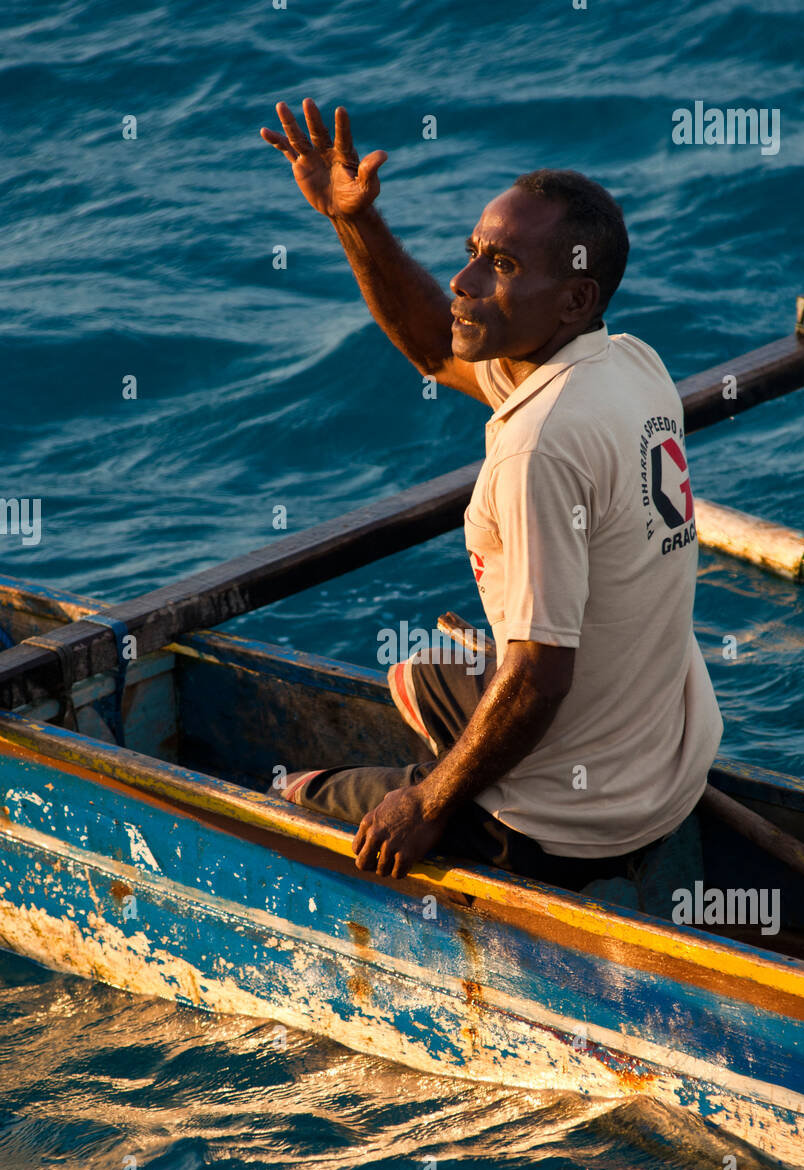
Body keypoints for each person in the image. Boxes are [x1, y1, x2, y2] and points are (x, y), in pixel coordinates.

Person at [260, 99, 723, 887]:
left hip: (576, 826)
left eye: (501, 266)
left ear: (573, 300)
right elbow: (432, 345)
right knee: (418, 674)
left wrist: (430, 802)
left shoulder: (537, 448)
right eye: (473, 252)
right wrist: (354, 221)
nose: (463, 280)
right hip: (669, 767)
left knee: (293, 802)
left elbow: (541, 677)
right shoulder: (627, 363)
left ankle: (343, 796)